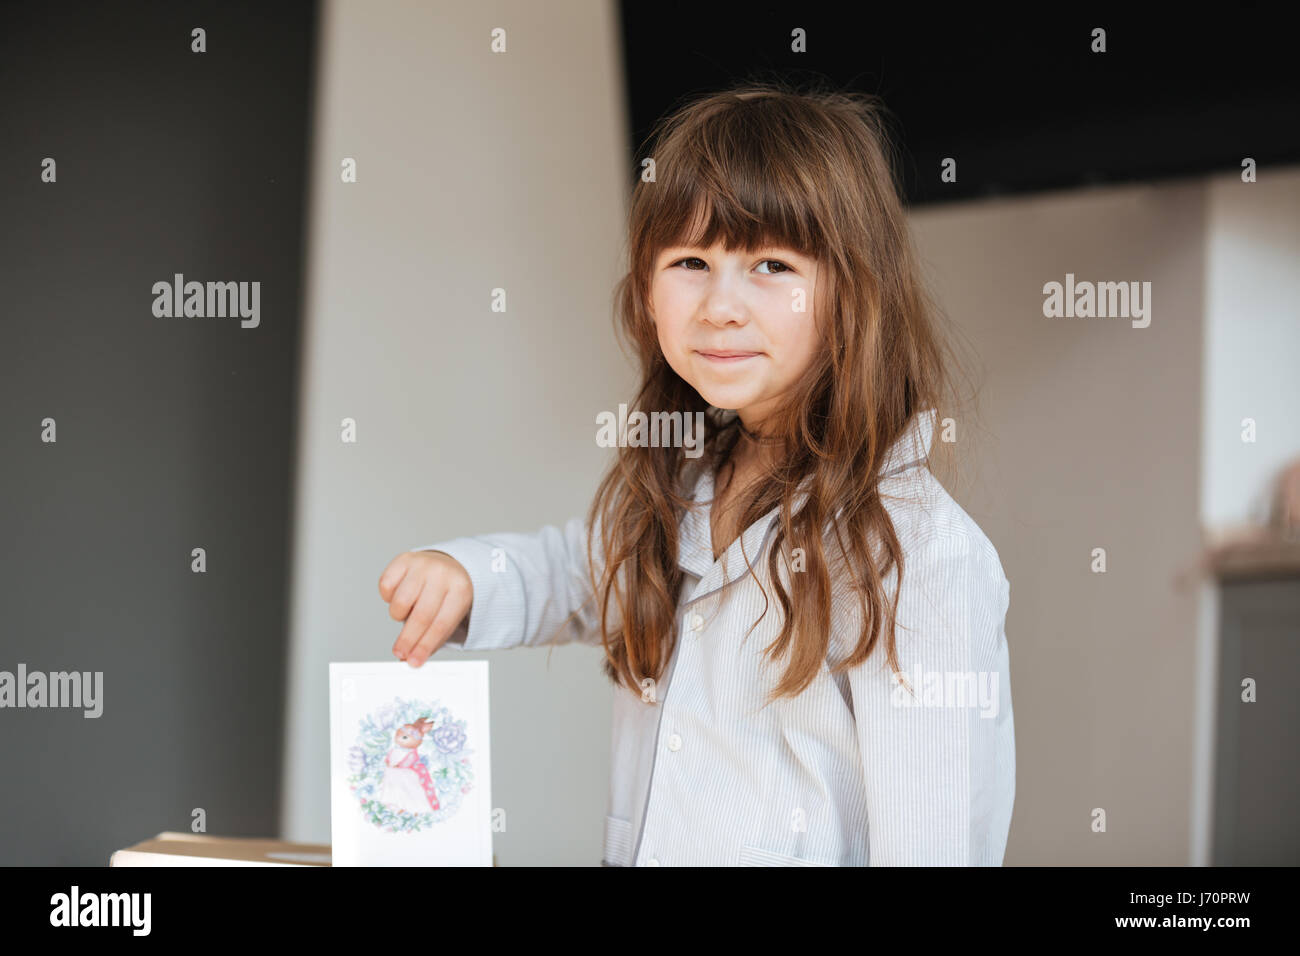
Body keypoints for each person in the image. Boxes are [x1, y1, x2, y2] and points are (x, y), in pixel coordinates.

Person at [378, 80, 1015, 866]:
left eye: (773, 265)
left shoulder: (921, 556)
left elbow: (935, 842)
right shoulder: (691, 472)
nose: (721, 305)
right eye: (690, 261)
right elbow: (588, 569)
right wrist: (471, 576)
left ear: (855, 294)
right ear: (646, 290)